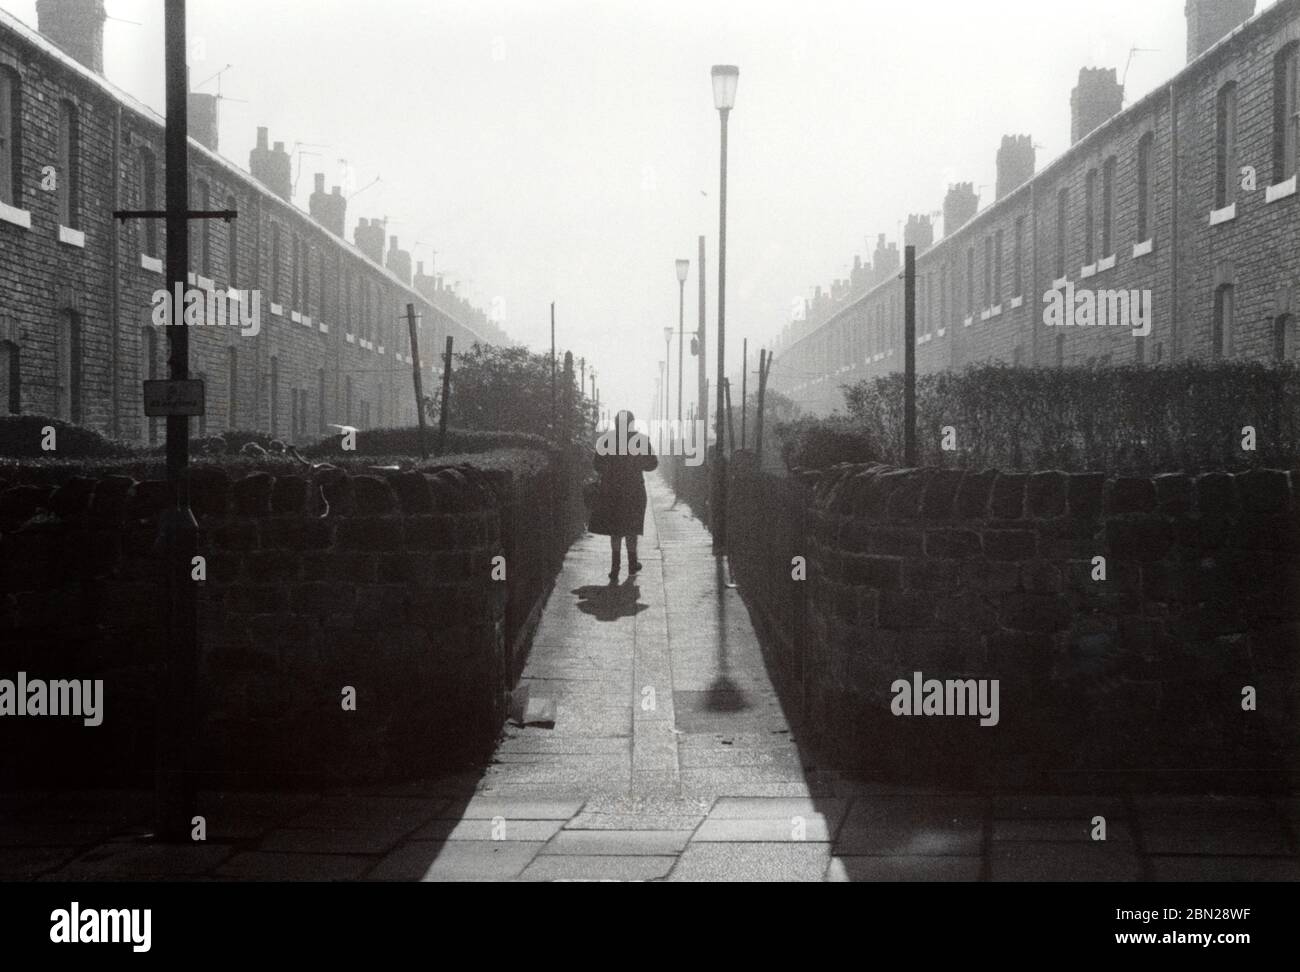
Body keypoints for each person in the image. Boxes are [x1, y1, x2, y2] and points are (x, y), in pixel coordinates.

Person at [589, 410, 658, 583]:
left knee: (615, 530)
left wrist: (610, 470)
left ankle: (615, 566)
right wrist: (637, 464)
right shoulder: (641, 440)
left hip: (611, 491)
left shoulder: (606, 440)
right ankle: (633, 563)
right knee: (631, 529)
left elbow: (597, 465)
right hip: (634, 491)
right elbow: (653, 464)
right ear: (632, 423)